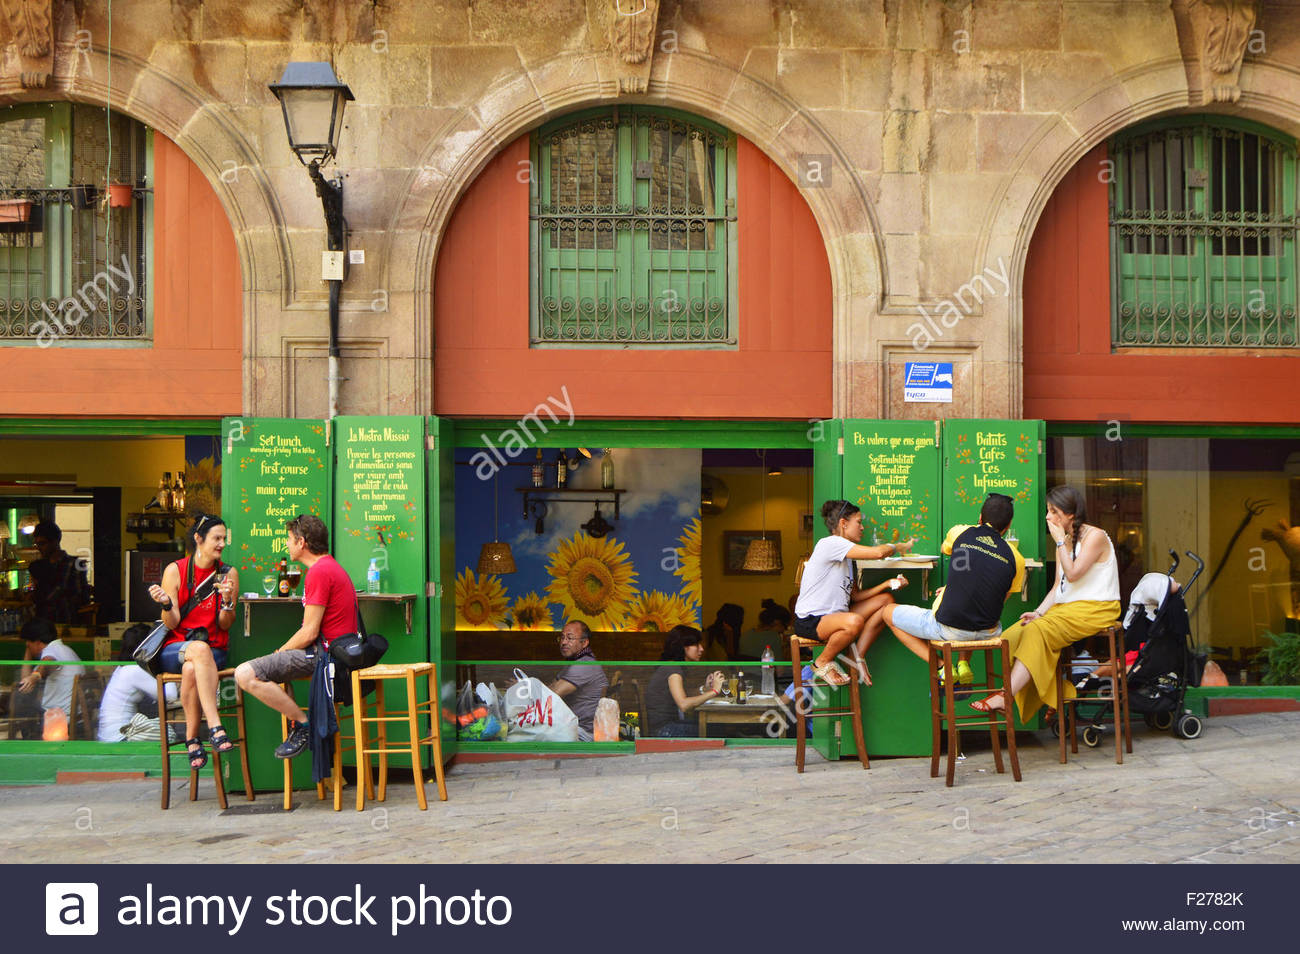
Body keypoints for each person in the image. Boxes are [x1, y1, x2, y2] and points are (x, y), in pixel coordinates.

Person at [972, 486, 1121, 718]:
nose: (1047, 517)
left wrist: (1061, 542)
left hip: (1097, 607)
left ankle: (1005, 696)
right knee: (1012, 636)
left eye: (1053, 511)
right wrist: (1038, 612)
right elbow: (1057, 587)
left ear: (1070, 514)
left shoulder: (1096, 537)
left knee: (1036, 633)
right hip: (1065, 609)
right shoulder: (1065, 541)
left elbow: (1073, 574)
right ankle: (1061, 692)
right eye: (1048, 511)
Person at [234, 514, 360, 760]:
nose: (288, 545)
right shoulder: (330, 567)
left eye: (289, 539)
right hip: (334, 655)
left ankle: (303, 726)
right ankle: (298, 726)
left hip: (323, 657)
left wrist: (279, 652)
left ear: (301, 542)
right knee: (274, 670)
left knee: (245, 674)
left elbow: (310, 632)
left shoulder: (319, 572)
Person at [876, 494, 1019, 666]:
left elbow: (946, 549)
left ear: (980, 518)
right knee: (972, 611)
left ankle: (942, 666)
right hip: (989, 633)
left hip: (949, 629)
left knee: (887, 612)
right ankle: (962, 663)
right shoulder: (1017, 557)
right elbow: (997, 597)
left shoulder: (960, 532)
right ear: (1009, 524)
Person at [147, 513, 240, 771]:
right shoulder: (175, 570)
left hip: (214, 651)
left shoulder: (227, 573)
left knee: (194, 664)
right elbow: (171, 623)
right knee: (197, 651)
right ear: (199, 539)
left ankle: (191, 738)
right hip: (174, 649)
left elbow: (224, 624)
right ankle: (214, 725)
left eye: (224, 539)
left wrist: (228, 601)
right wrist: (166, 603)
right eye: (216, 538)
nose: (221, 544)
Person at [792, 499, 913, 686]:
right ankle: (822, 661)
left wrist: (887, 584)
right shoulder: (830, 543)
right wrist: (899, 546)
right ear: (843, 523)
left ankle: (857, 657)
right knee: (854, 621)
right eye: (859, 522)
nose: (862, 528)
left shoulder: (849, 558)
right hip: (811, 620)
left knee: (886, 600)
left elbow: (855, 596)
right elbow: (878, 553)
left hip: (836, 618)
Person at [97, 623, 179, 742]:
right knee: (170, 735)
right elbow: (170, 696)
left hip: (110, 734)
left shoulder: (124, 668)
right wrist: (165, 665)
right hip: (119, 737)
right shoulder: (133, 670)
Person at [645, 625, 727, 737]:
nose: (701, 648)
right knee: (717, 731)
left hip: (668, 725)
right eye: (696, 644)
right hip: (664, 730)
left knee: (716, 727)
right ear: (682, 647)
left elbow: (683, 696)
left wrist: (705, 688)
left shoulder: (672, 666)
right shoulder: (673, 670)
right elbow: (684, 704)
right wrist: (714, 691)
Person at [15, 618, 85, 725]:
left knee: (21, 708)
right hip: (77, 717)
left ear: (38, 642)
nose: (27, 646)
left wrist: (35, 676)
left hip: (59, 720)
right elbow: (25, 681)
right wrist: (29, 651)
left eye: (28, 644)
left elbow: (48, 662)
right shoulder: (65, 650)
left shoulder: (52, 651)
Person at [548, 620, 608, 741]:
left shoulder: (584, 664)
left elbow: (551, 694)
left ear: (584, 642)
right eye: (562, 637)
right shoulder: (575, 662)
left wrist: (527, 687)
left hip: (582, 733)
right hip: (574, 728)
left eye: (570, 638)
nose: (564, 642)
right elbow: (552, 686)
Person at [26, 520, 91, 623]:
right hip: (44, 623)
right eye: (37, 544)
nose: (39, 548)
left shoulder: (74, 564)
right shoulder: (38, 566)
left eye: (42, 543)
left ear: (55, 541)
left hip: (68, 622)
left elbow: (79, 597)